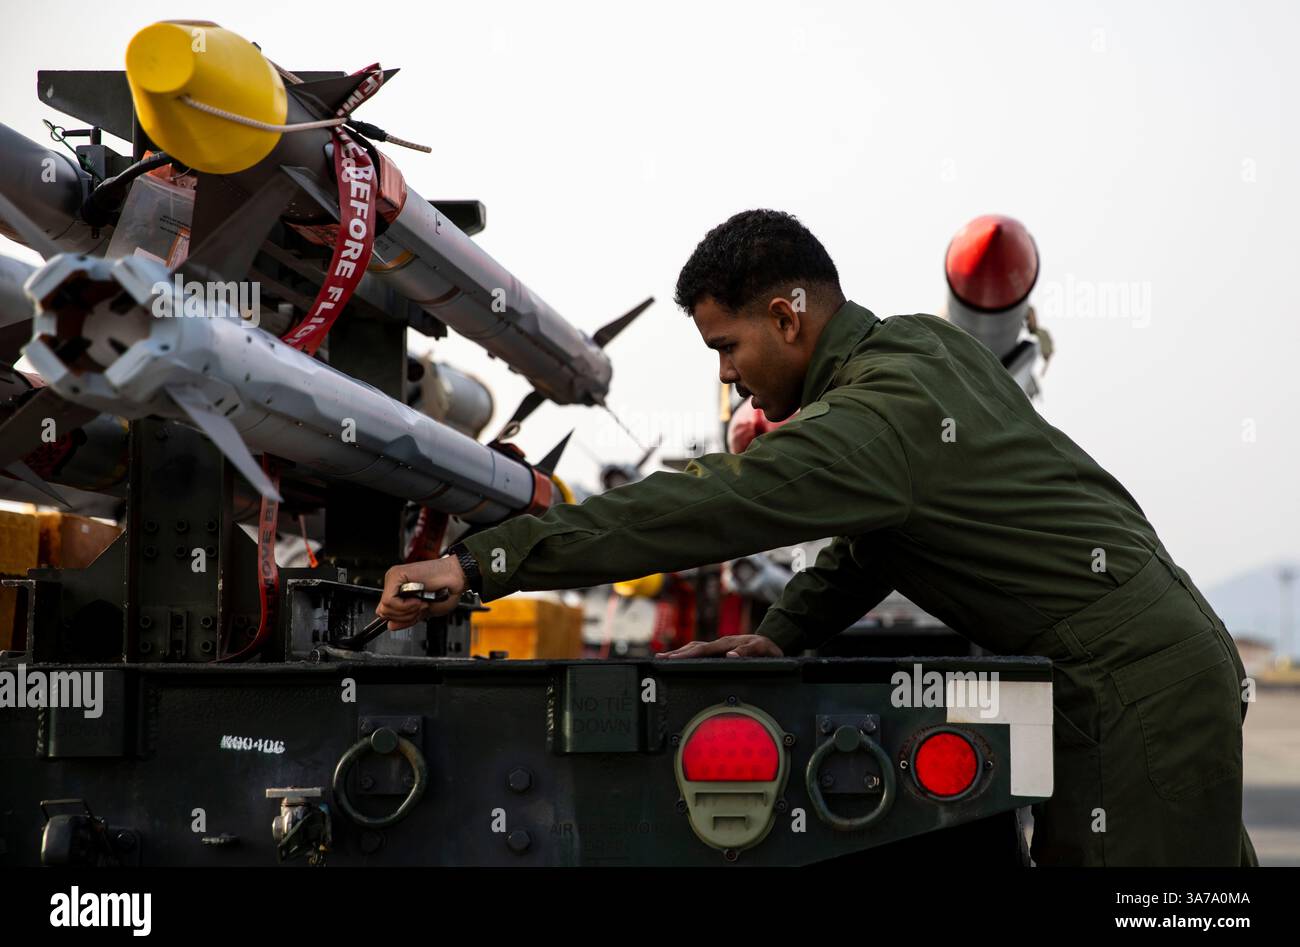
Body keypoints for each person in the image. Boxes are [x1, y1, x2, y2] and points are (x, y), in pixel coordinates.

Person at [377, 209, 1257, 866]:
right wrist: (781, 633)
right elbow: (877, 544)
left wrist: (485, 562)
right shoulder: (917, 348)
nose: (725, 373)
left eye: (728, 346)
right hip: (1151, 662)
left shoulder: (876, 416)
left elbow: (704, 505)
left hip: (1133, 686)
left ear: (788, 320)